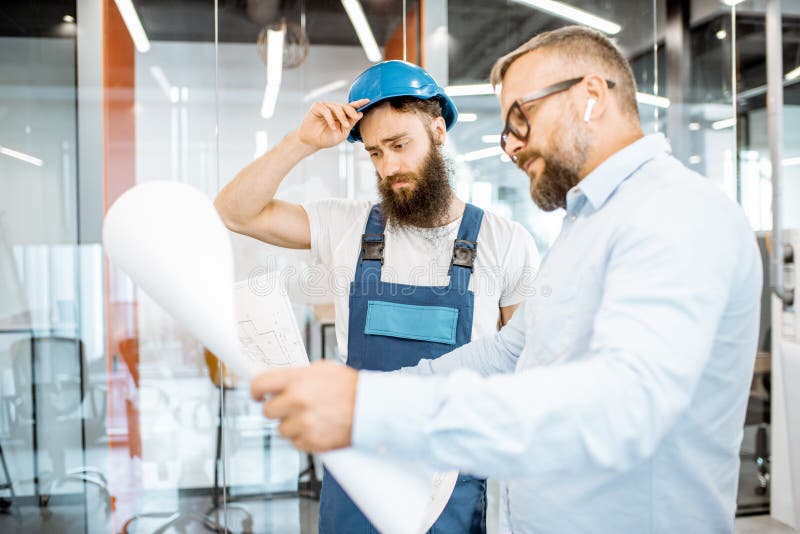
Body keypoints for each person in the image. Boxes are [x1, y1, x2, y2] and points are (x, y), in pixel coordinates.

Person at [250, 26, 763, 533]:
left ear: (590, 97)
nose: (513, 146)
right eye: (507, 128)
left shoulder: (673, 213)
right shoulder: (585, 224)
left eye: (524, 115)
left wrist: (373, 411)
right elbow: (507, 351)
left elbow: (622, 406)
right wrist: (365, 393)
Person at [215, 60, 539, 533]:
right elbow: (235, 212)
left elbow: (526, 372)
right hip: (358, 476)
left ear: (437, 129)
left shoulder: (505, 242)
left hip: (453, 482)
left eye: (399, 145)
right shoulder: (346, 226)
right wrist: (301, 143)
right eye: (374, 154)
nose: (389, 167)